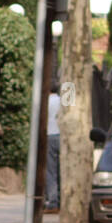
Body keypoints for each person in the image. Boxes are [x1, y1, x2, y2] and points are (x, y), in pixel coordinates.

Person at [45, 83, 61, 214]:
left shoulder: (46, 102)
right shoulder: (63, 100)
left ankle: (52, 202)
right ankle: (62, 199)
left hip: (50, 135)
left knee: (51, 170)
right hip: (64, 136)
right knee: (63, 169)